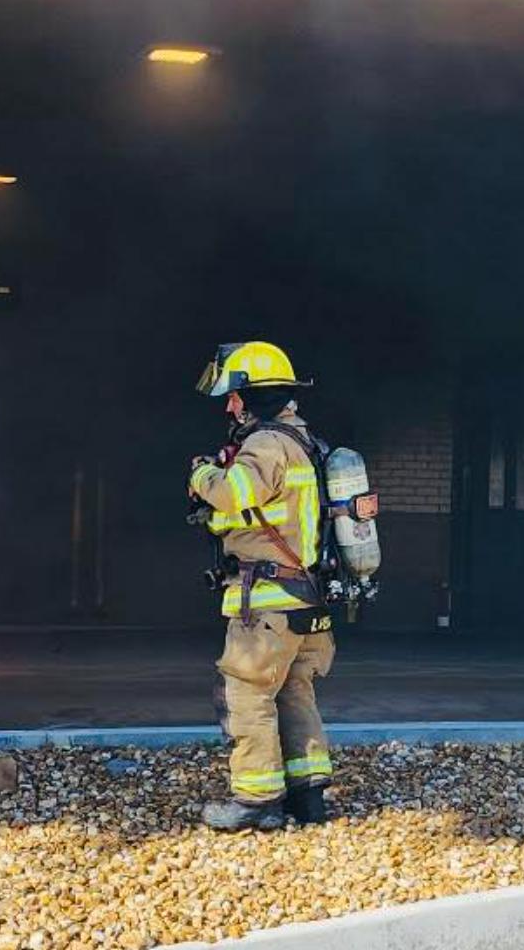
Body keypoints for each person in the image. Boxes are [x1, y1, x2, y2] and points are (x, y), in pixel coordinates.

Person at [189, 340, 335, 831]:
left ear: (255, 395)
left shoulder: (267, 444)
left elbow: (234, 493)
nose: (229, 407)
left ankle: (256, 801)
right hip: (305, 599)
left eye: (234, 396)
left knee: (246, 694)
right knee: (294, 693)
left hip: (268, 604)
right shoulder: (306, 444)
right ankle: (308, 797)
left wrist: (202, 475)